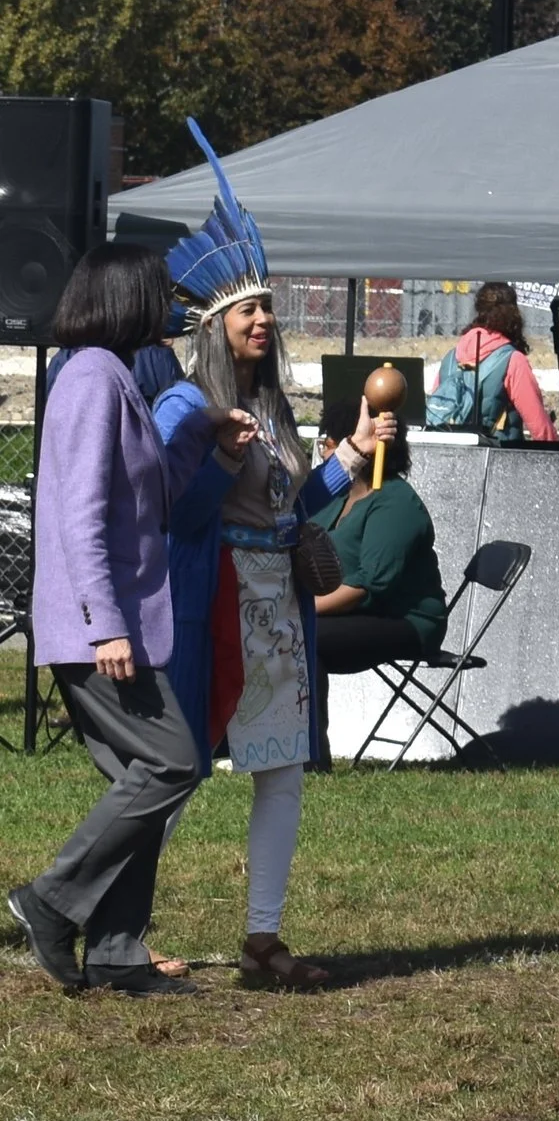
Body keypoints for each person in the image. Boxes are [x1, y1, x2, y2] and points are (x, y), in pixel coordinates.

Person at [154, 143, 395, 991]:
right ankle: (118, 922)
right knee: (175, 772)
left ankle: (263, 939)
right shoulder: (185, 404)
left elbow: (282, 509)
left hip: (279, 613)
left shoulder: (269, 407)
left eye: (267, 308)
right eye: (246, 311)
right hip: (210, 605)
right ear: (214, 325)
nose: (261, 320)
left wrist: (349, 456)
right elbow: (174, 510)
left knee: (283, 771)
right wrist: (218, 454)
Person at [11, 247, 243, 997]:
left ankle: (115, 950)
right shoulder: (89, 379)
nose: (171, 311)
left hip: (114, 626)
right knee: (175, 761)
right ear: (125, 299)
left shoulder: (113, 377)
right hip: (98, 630)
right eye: (158, 295)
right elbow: (78, 517)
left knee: (141, 780)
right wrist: (105, 625)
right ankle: (50, 901)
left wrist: (210, 443)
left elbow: (153, 500)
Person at [311, 400, 448, 682]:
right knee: (284, 635)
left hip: (405, 620)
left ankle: (312, 726)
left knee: (300, 636)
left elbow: (368, 585)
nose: (324, 452)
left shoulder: (396, 502)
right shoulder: (334, 495)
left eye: (328, 443)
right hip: (351, 613)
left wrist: (300, 608)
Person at [427, 281, 555, 444]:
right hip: (500, 459)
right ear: (514, 314)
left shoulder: (451, 358)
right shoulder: (512, 360)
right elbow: (539, 425)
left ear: (479, 311)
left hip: (453, 457)